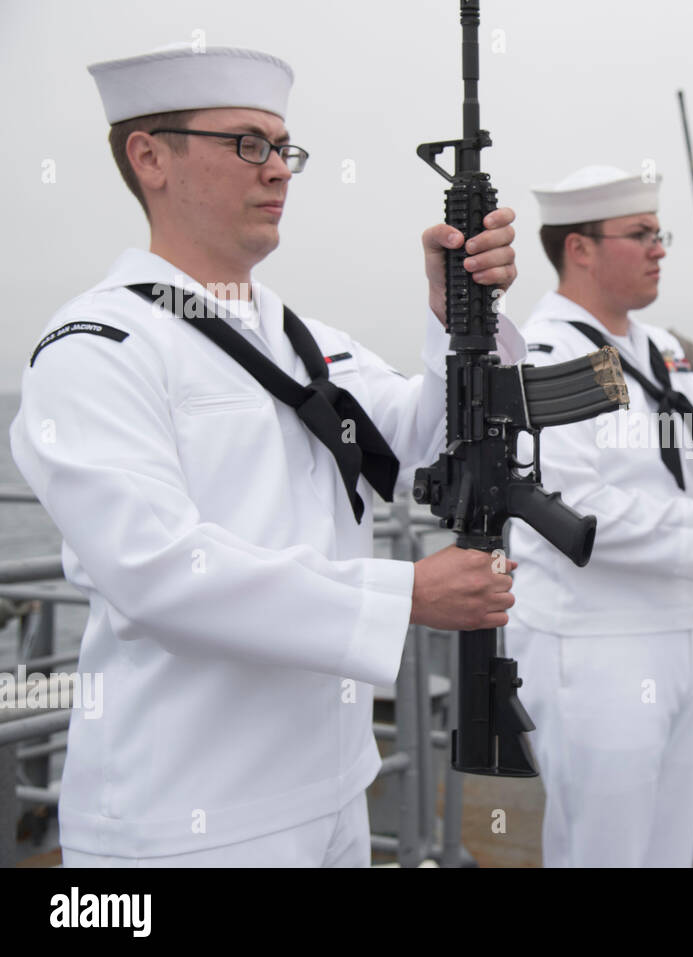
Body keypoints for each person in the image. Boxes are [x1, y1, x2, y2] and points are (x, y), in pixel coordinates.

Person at [8, 45, 522, 866]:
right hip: (185, 814)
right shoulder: (97, 346)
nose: (278, 170)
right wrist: (402, 593)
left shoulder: (298, 337)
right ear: (151, 158)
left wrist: (460, 313)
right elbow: (157, 568)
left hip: (332, 784)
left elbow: (429, 434)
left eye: (285, 148)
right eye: (248, 144)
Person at [503, 165, 693, 867]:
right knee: (604, 851)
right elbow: (568, 508)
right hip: (594, 641)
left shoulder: (658, 349)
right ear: (579, 248)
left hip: (673, 628)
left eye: (657, 233)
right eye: (640, 235)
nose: (659, 247)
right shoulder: (544, 354)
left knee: (665, 849)